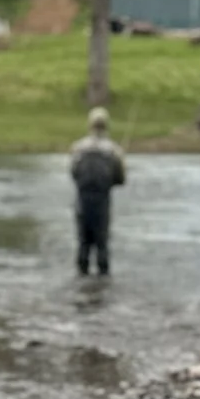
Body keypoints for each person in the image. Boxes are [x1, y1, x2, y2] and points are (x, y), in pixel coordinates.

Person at [68, 106, 126, 276]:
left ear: (90, 124)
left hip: (82, 203)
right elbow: (121, 180)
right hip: (102, 203)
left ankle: (81, 279)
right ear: (107, 125)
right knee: (102, 244)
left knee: (83, 243)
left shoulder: (77, 148)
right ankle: (103, 282)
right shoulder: (114, 150)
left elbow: (73, 174)